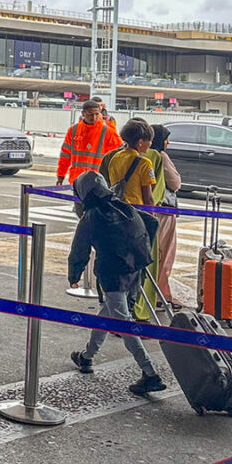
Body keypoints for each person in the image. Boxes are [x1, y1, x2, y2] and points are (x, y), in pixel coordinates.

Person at [68, 171, 166, 397]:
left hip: (112, 273)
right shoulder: (125, 207)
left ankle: (149, 372)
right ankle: (87, 356)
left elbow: (79, 250)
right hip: (135, 268)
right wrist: (140, 250)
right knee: (108, 313)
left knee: (123, 322)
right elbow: (151, 222)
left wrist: (74, 274)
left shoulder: (91, 216)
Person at [56, 98, 122, 187]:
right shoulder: (74, 130)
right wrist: (60, 176)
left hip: (99, 182)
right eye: (90, 114)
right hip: (78, 180)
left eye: (96, 114)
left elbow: (119, 156)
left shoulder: (108, 132)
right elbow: (65, 155)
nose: (94, 117)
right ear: (83, 114)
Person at [151, 124, 182, 305]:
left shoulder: (140, 154)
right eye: (165, 139)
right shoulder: (160, 156)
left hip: (147, 209)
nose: (168, 142)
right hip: (164, 210)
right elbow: (175, 182)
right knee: (164, 254)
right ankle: (161, 295)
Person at [108, 118, 156, 207]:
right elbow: (148, 198)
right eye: (149, 140)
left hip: (117, 207)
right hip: (135, 210)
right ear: (140, 142)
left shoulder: (115, 157)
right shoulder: (144, 163)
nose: (151, 143)